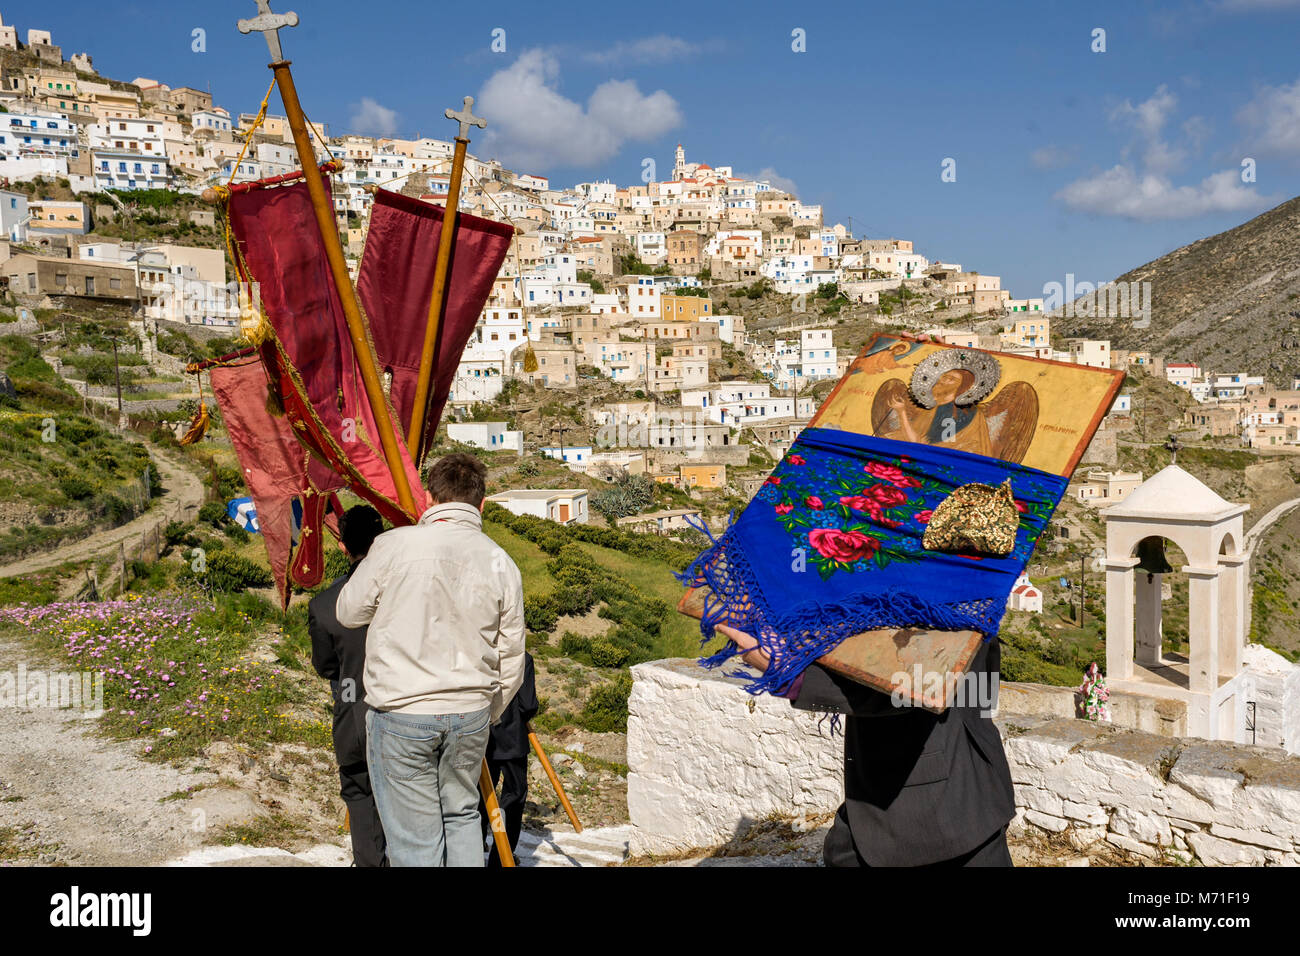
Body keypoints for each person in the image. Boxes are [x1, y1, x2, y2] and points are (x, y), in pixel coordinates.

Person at [336, 453, 526, 867]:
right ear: (482, 502)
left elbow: (348, 612)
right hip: (470, 711)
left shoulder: (392, 546)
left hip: (403, 712)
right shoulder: (501, 562)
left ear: (428, 497)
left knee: (414, 841)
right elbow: (512, 656)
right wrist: (488, 711)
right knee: (462, 819)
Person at [727, 626, 1015, 867]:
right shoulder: (972, 574)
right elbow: (981, 688)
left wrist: (788, 671)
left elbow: (910, 687)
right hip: (968, 791)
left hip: (937, 813)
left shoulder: (939, 576)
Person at [308, 504, 388, 867]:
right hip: (409, 709)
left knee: (359, 793)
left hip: (353, 710)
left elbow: (326, 666)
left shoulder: (324, 604)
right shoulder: (404, 594)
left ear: (342, 546)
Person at [478, 651, 538, 867]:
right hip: (512, 738)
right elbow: (528, 704)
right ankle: (501, 857)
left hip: (481, 734)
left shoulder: (483, 651)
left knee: (482, 793)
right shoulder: (522, 658)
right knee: (515, 794)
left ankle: (475, 849)